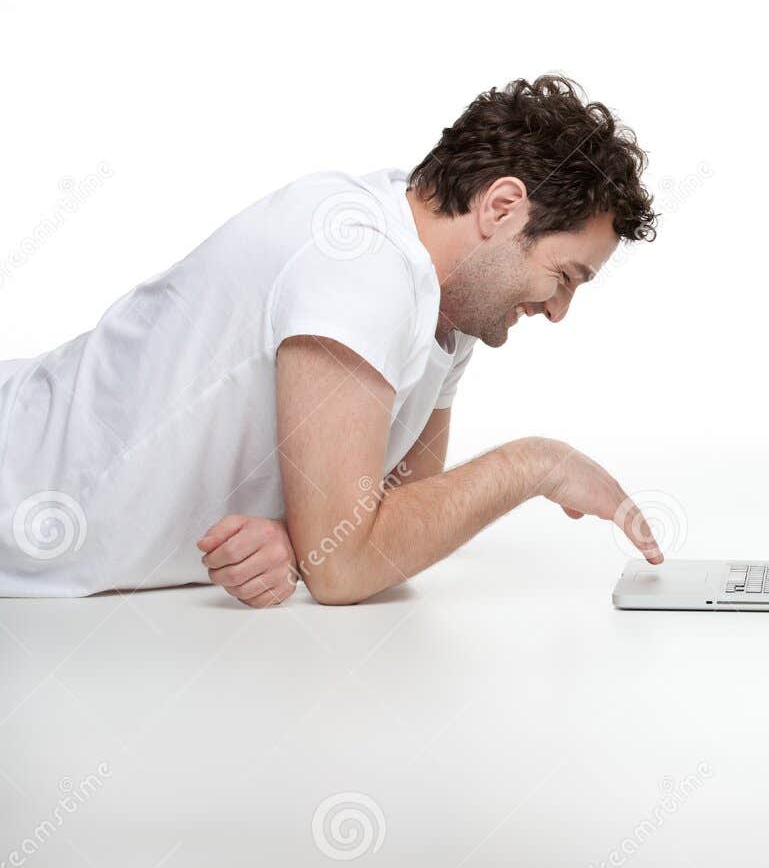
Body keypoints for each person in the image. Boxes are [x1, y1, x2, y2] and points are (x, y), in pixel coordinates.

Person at [0, 75, 664, 607]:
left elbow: (393, 514)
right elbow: (347, 566)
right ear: (500, 208)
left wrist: (300, 538)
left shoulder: (449, 308)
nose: (558, 311)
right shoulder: (359, 261)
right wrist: (535, 464)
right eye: (565, 275)